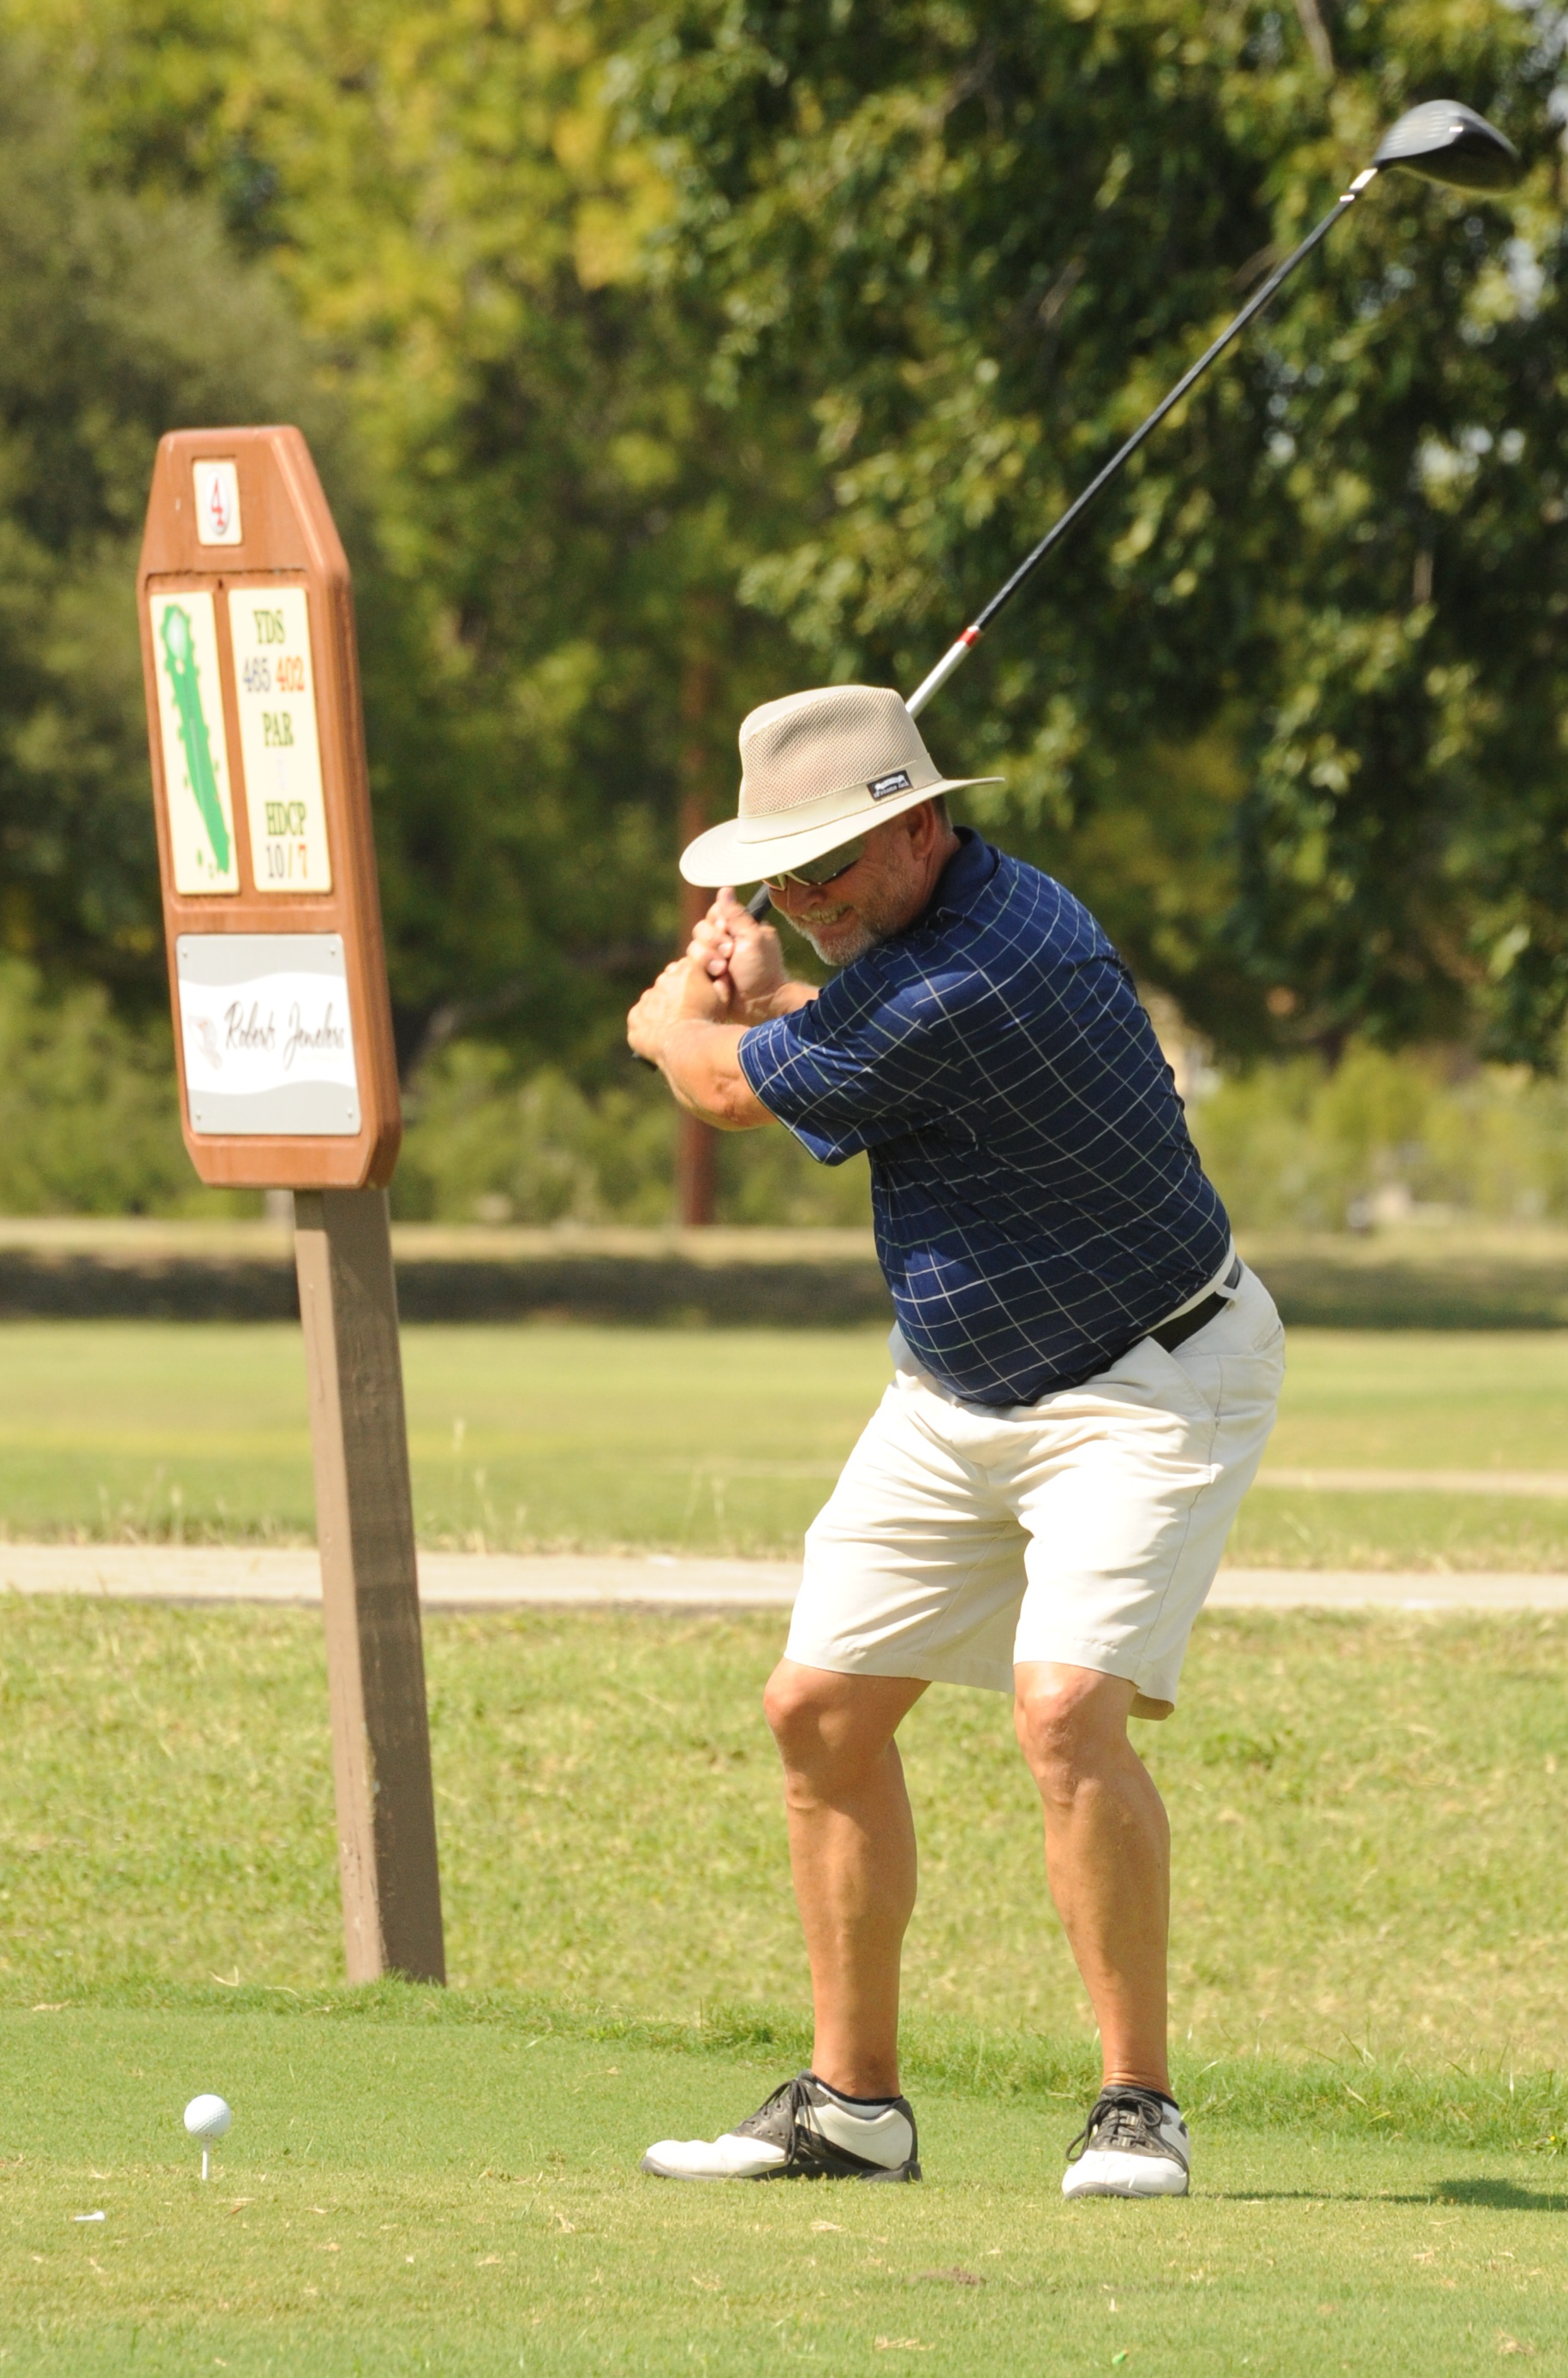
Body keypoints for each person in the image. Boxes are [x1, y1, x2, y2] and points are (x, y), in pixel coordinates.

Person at [624, 683, 1283, 2197]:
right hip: (955, 1387)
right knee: (819, 1714)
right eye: (783, 876)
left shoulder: (987, 964)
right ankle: (852, 2108)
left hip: (1144, 1380)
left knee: (1062, 1713)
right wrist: (775, 985)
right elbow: (843, 1041)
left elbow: (730, 1087)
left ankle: (1138, 2106)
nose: (808, 898)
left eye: (832, 867)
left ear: (919, 825)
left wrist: (684, 1019)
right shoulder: (924, 946)